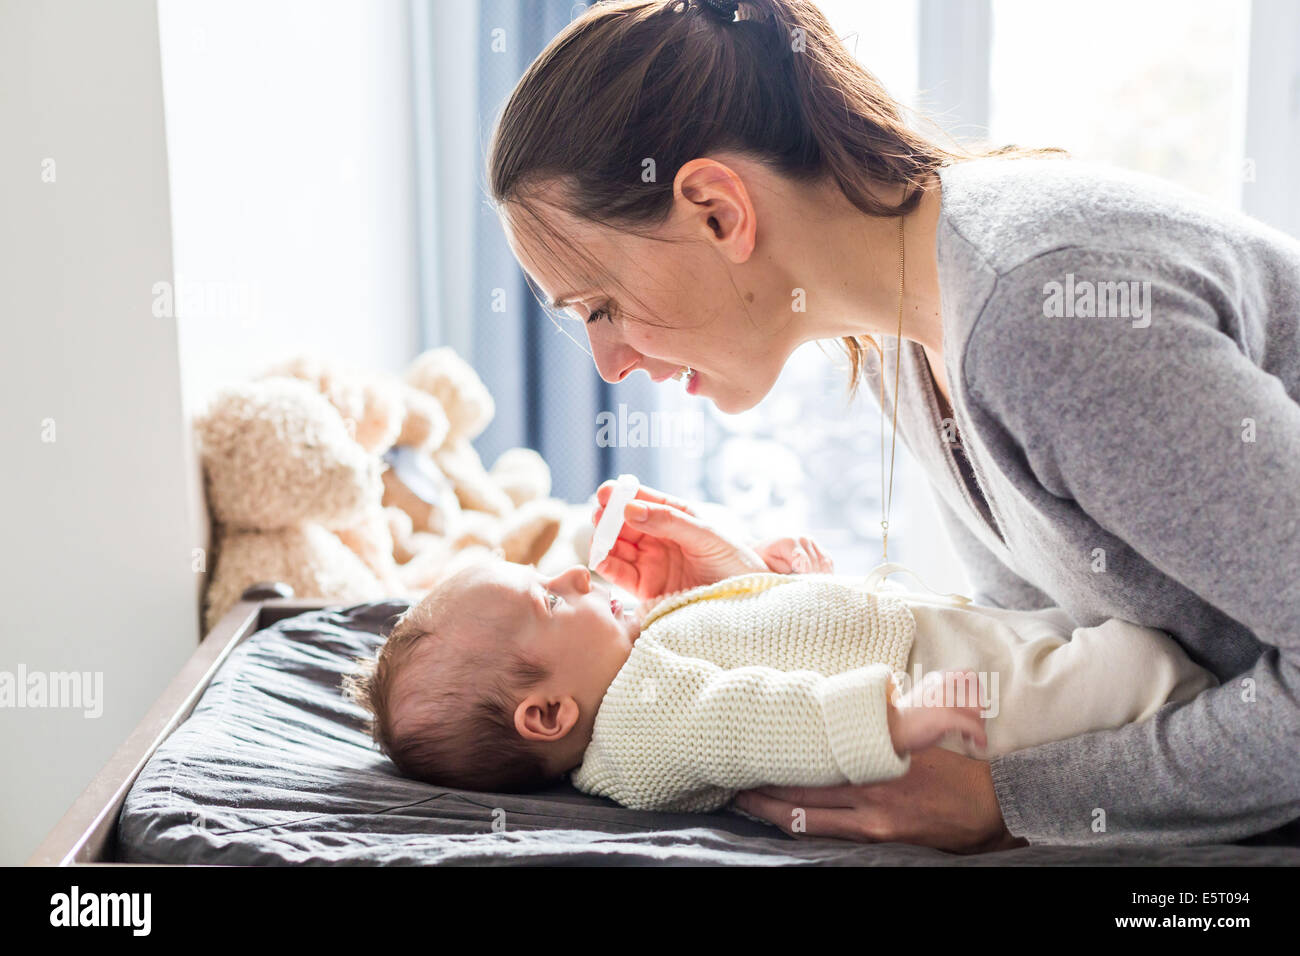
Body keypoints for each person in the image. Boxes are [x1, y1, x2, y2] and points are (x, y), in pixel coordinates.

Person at [484, 0, 1300, 848]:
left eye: (603, 304)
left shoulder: (1038, 316)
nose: (608, 363)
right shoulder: (896, 337)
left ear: (717, 211)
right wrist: (773, 613)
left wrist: (1014, 801)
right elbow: (1043, 644)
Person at [344, 544, 1213, 828]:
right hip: (930, 696)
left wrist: (782, 578)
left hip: (922, 638)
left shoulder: (636, 660)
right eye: (547, 596)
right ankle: (1198, 688)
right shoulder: (643, 730)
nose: (574, 573)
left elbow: (751, 634)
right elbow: (752, 717)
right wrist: (895, 719)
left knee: (1059, 629)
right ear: (547, 714)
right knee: (1117, 669)